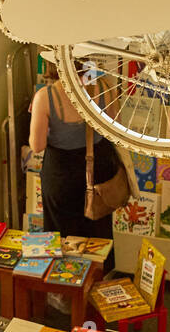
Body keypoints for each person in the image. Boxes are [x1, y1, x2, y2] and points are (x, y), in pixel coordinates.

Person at [29, 75, 117, 239]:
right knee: (98, 233)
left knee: (61, 235)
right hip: (98, 169)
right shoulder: (105, 87)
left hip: (62, 174)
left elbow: (37, 145)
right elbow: (114, 128)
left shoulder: (46, 96)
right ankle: (98, 265)